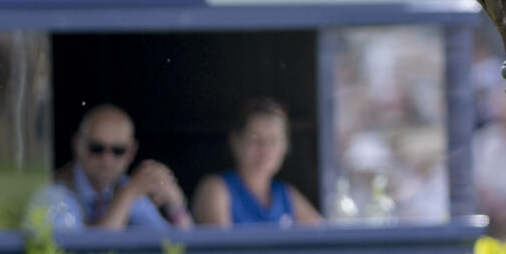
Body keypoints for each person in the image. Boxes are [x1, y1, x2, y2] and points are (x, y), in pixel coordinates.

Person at [34, 104, 193, 230]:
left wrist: (176, 206)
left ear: (131, 152)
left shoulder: (126, 187)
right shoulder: (54, 193)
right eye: (97, 148)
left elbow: (178, 250)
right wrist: (127, 196)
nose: (107, 159)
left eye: (118, 150)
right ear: (77, 145)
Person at [192, 99, 322, 228]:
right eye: (255, 138)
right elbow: (221, 240)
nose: (265, 149)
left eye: (273, 140)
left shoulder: (286, 195)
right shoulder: (217, 189)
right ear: (236, 142)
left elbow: (324, 234)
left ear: (285, 147)